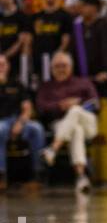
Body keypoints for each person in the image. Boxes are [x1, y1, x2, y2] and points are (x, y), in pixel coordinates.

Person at [37, 51, 98, 194]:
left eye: (64, 65)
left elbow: (95, 104)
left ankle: (53, 148)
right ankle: (81, 177)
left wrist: (78, 104)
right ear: (51, 69)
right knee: (76, 130)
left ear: (71, 67)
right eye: (57, 66)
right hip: (60, 122)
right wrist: (59, 105)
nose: (61, 69)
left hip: (87, 121)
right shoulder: (46, 87)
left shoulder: (83, 83)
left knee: (75, 110)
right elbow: (41, 107)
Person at [0, 53, 43, 190]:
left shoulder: (17, 83)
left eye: (3, 64)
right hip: (1, 122)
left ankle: (37, 175)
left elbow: (27, 108)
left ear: (8, 66)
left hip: (18, 120)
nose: (0, 67)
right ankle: (1, 176)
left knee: (37, 129)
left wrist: (20, 123)